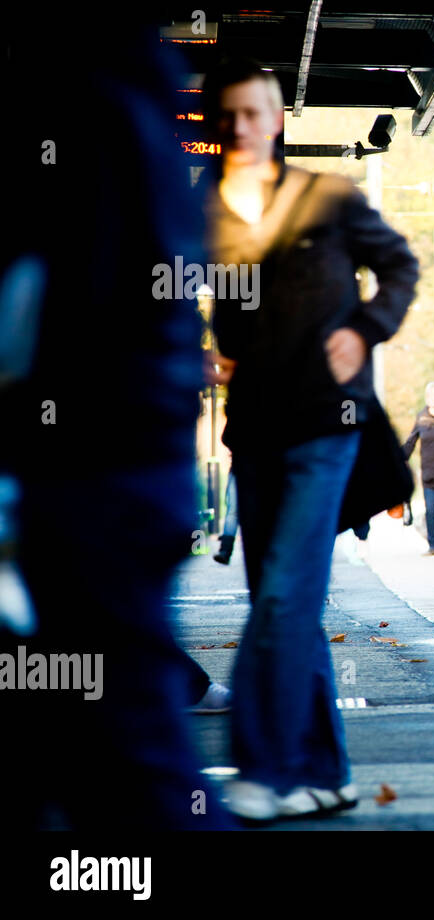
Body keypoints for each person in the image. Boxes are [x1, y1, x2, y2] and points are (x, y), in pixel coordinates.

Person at [0, 16, 233, 829]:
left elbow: (50, 312)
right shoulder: (127, 100)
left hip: (89, 474)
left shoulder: (82, 105)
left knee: (125, 754)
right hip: (116, 467)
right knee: (108, 744)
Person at [203, 57, 418, 822]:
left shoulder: (326, 197)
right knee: (278, 599)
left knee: (287, 599)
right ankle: (328, 769)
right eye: (228, 116)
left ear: (277, 121)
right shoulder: (205, 212)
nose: (243, 128)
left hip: (331, 424)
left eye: (256, 113)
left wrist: (365, 329)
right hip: (254, 428)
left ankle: (271, 771)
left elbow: (398, 264)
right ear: (215, 125)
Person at [402, 381, 434, 555]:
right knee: (430, 511)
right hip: (430, 474)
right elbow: (411, 441)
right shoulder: (422, 417)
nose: (432, 399)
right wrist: (399, 458)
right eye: (429, 396)